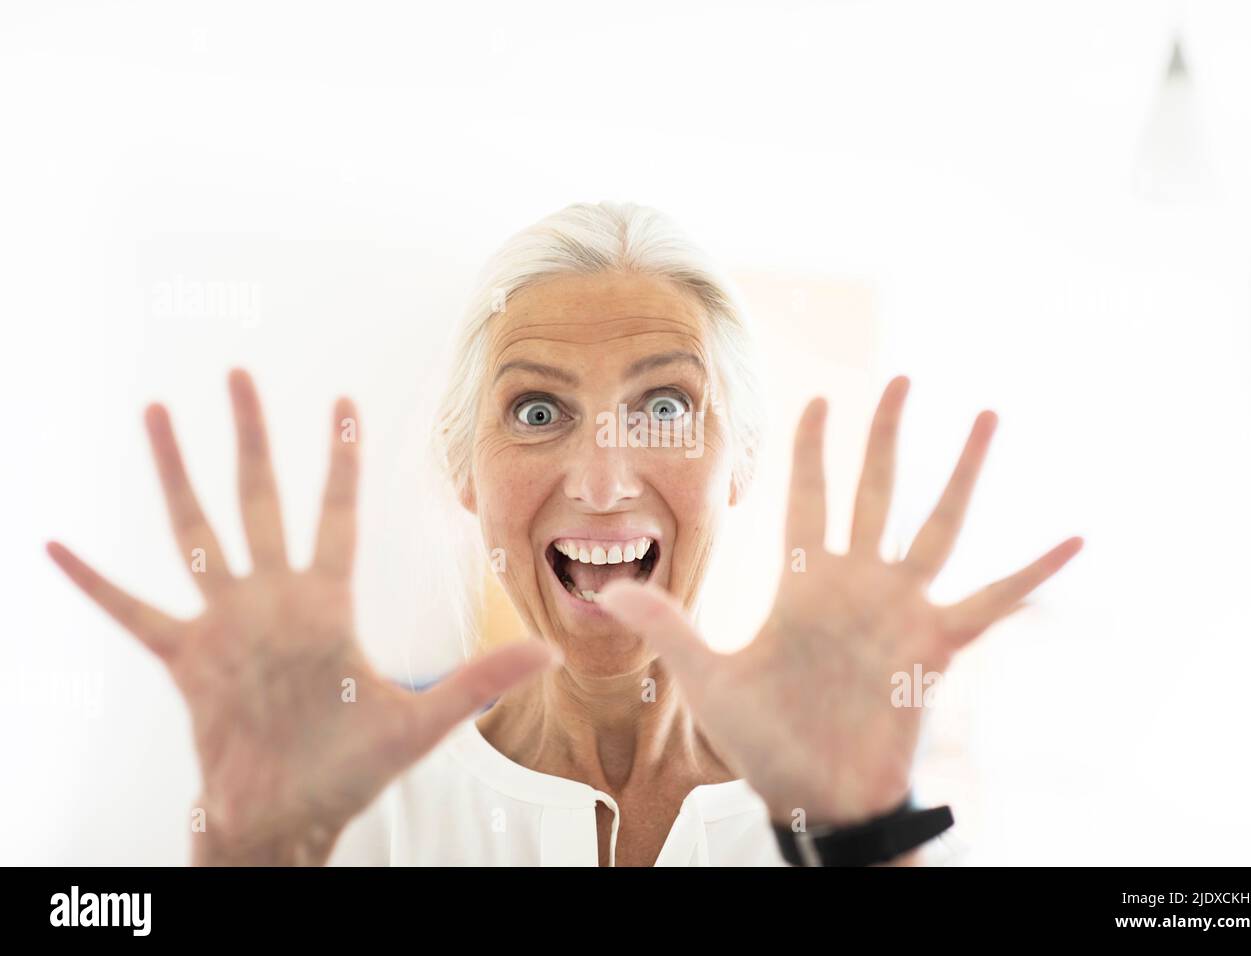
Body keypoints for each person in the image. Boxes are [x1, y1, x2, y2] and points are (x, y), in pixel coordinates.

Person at [47, 201, 1083, 866]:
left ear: (741, 461)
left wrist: (863, 840)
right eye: (536, 411)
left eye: (667, 407)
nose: (600, 478)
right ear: (465, 468)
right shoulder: (371, 816)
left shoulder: (844, 819)